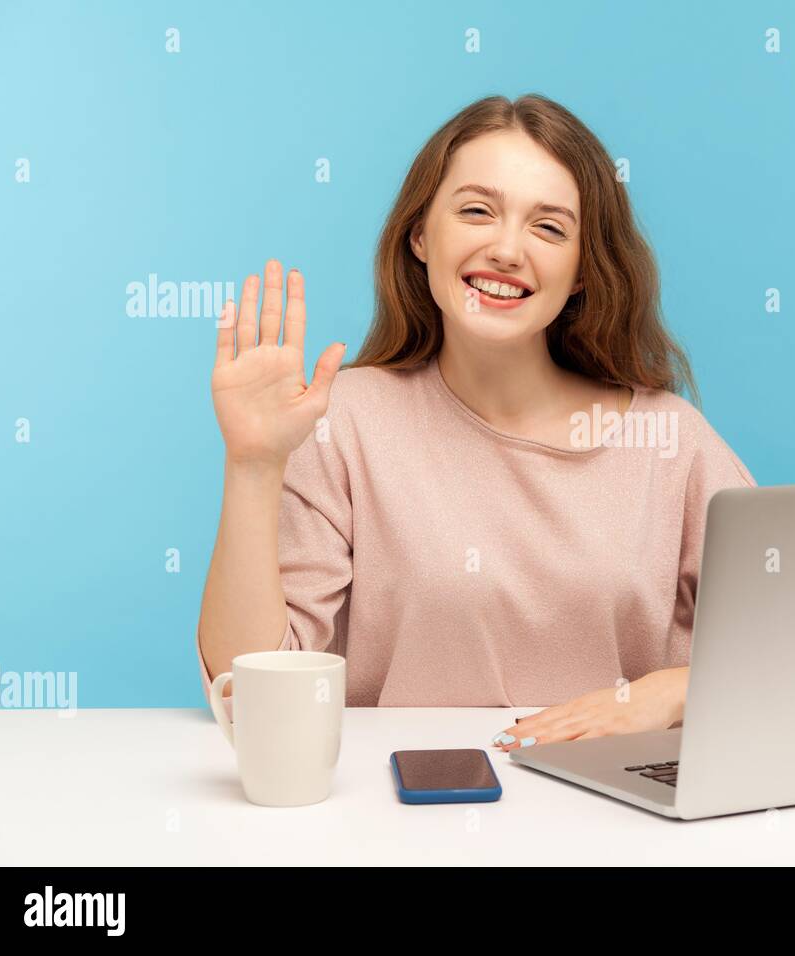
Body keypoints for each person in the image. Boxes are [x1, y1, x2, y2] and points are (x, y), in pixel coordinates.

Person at [196, 93, 754, 753]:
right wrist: (254, 467)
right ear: (420, 234)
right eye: (476, 211)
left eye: (549, 228)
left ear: (580, 271)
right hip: (403, 808)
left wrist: (675, 691)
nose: (508, 249)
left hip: (617, 806)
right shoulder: (344, 421)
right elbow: (250, 692)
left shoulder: (672, 441)